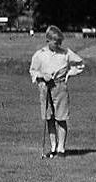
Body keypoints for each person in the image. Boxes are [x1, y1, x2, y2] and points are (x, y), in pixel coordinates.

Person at [29, 25, 85, 158]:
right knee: (49, 118)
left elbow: (80, 64)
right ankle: (53, 147)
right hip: (45, 87)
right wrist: (42, 76)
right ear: (48, 40)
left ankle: (61, 149)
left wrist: (68, 74)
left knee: (61, 118)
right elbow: (33, 71)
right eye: (56, 42)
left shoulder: (65, 53)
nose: (59, 44)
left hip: (60, 87)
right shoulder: (40, 54)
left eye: (60, 42)